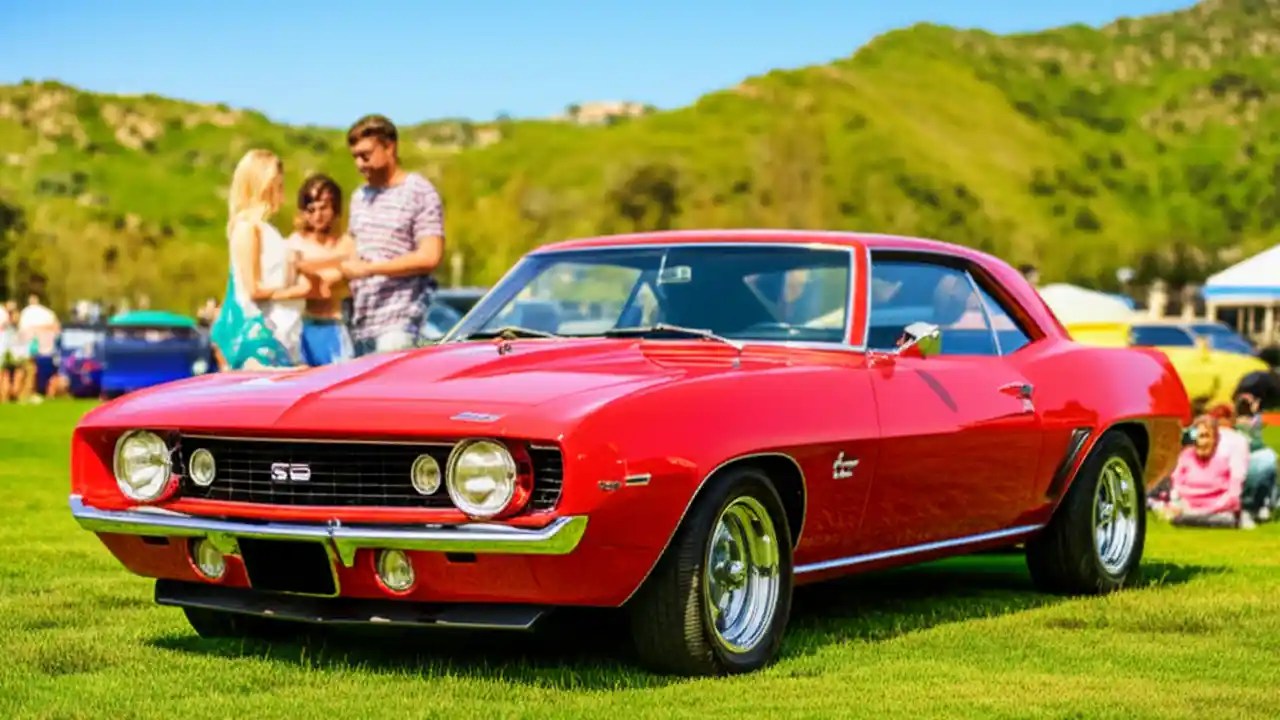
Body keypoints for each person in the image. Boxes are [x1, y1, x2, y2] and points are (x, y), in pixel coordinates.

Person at [341, 114, 444, 356]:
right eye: (354, 157)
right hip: (361, 323)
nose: (359, 164)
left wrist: (371, 269)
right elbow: (350, 249)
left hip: (400, 322)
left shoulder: (419, 191)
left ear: (390, 147)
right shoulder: (359, 197)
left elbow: (430, 256)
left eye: (365, 155)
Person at [209, 149, 312, 369]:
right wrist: (297, 291)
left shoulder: (265, 229)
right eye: (278, 185)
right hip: (258, 341)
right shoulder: (248, 228)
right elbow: (253, 289)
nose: (282, 193)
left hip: (281, 337)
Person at [287, 174, 355, 365]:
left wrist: (306, 266)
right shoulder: (296, 242)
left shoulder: (346, 242)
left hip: (338, 326)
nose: (317, 215)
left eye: (323, 208)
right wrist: (336, 262)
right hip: (305, 328)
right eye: (311, 209)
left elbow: (330, 282)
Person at [1166, 414, 1251, 528]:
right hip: (1188, 507)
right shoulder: (1185, 457)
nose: (1202, 442)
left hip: (1218, 510)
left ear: (1215, 439)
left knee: (1225, 518)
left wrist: (1210, 509)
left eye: (1206, 436)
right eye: (1199, 436)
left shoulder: (1224, 461)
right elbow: (1176, 486)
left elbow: (1233, 495)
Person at [1233, 394, 1276, 523]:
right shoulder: (1256, 421)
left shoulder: (1236, 423)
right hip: (1255, 455)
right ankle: (1268, 503)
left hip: (1243, 457)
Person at [18, 293, 60, 401]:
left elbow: (21, 331)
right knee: (33, 372)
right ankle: (34, 393)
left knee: (30, 371)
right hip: (43, 348)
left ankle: (29, 393)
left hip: (30, 347)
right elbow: (56, 329)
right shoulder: (47, 313)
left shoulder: (26, 313)